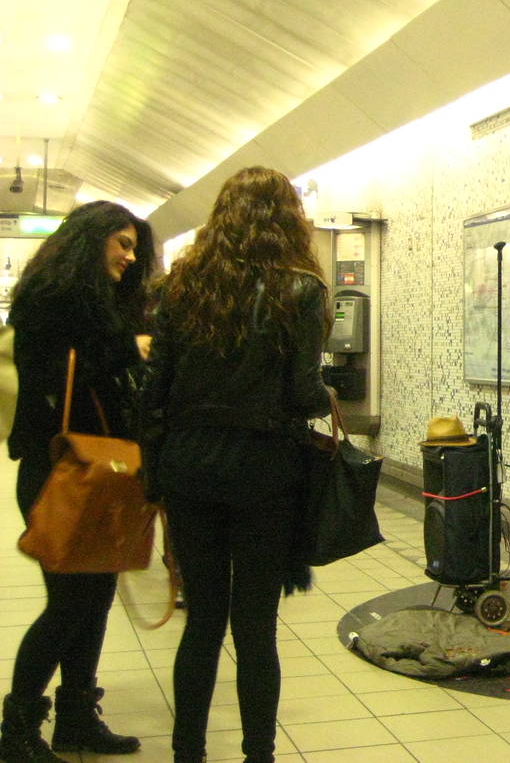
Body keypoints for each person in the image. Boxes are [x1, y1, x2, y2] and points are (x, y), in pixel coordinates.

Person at [140, 167, 331, 763]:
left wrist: (155, 477)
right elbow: (302, 393)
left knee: (201, 624)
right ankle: (258, 755)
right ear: (288, 221)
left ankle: (188, 753)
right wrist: (318, 395)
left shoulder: (179, 287)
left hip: (190, 466)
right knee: (255, 629)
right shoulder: (300, 289)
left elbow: (156, 390)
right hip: (265, 470)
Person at [2, 201, 154, 762]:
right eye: (122, 243)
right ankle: (17, 729)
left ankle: (75, 717)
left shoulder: (100, 303)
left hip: (103, 470)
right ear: (91, 241)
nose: (130, 256)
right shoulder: (50, 300)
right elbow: (49, 383)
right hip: (60, 471)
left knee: (95, 599)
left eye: (134, 246)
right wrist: (125, 350)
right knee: (68, 602)